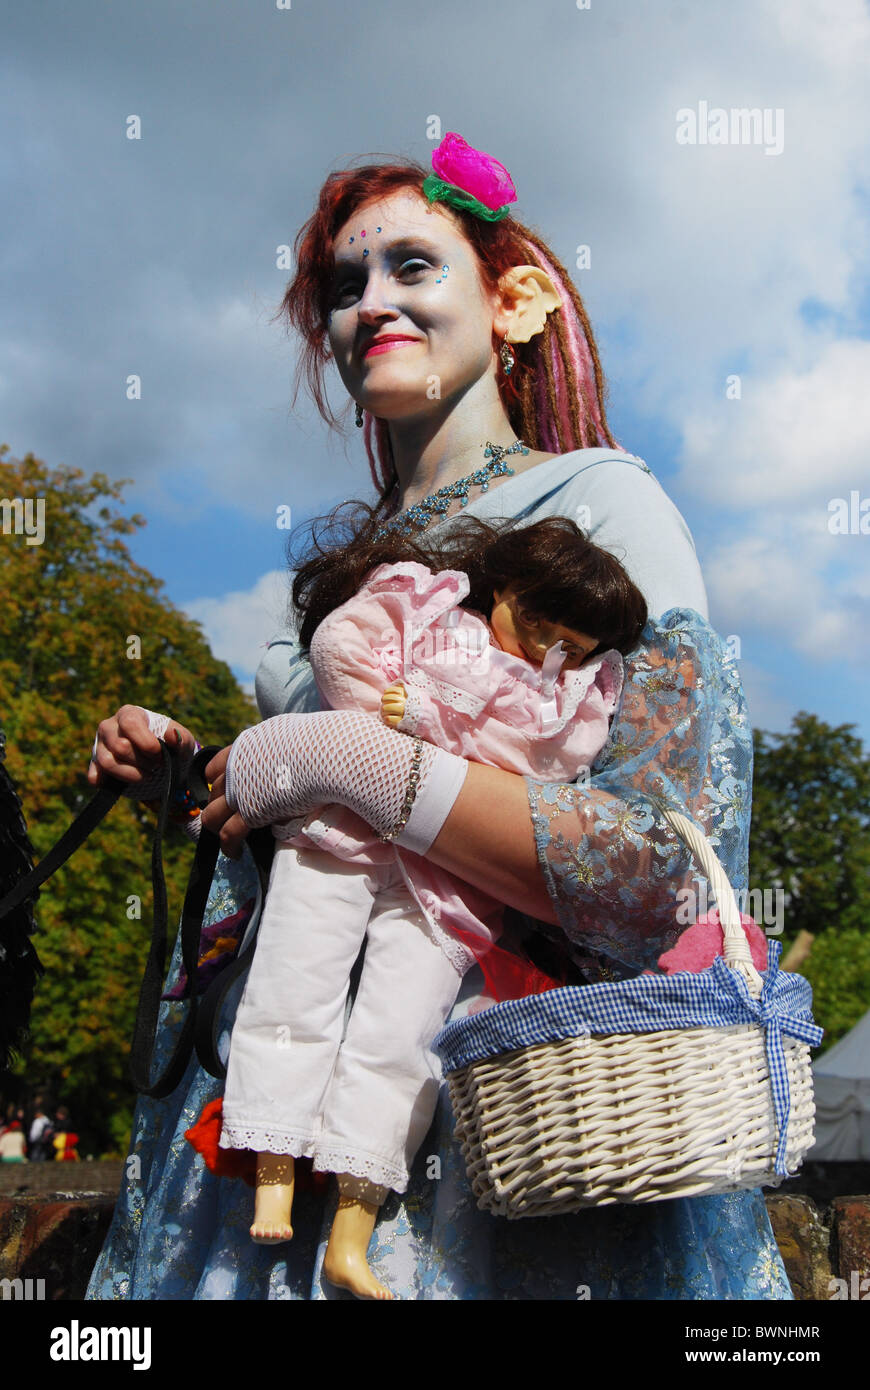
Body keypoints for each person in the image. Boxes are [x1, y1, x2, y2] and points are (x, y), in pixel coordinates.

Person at [85, 132, 792, 1299]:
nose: (371, 305)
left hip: (488, 1166)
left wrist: (349, 757)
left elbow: (656, 867)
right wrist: (201, 774)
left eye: (413, 268)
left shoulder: (603, 507)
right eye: (343, 287)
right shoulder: (335, 578)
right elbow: (340, 820)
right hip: (262, 1162)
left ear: (515, 306)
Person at [218, 517, 646, 1299]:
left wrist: (422, 726)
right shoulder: (427, 613)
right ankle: (270, 1161)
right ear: (503, 590)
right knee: (292, 984)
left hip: (449, 885)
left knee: (402, 1038)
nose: (545, 654)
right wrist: (377, 729)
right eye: (534, 624)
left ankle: (354, 1224)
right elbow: (342, 653)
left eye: (573, 649)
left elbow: (541, 773)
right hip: (339, 838)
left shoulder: (566, 702)